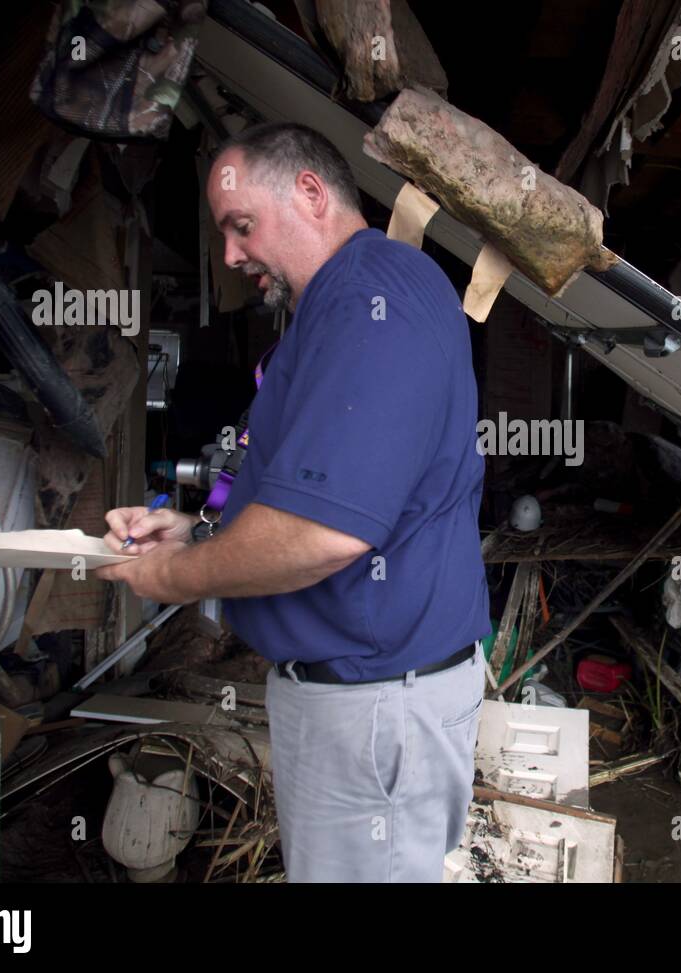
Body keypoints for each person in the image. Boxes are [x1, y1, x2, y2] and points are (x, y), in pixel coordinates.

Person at [96, 122, 491, 882]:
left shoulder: (377, 292)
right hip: (360, 700)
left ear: (310, 193)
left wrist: (176, 578)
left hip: (376, 706)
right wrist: (192, 530)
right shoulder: (339, 307)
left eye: (241, 226)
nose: (232, 255)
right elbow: (308, 498)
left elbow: (324, 530)